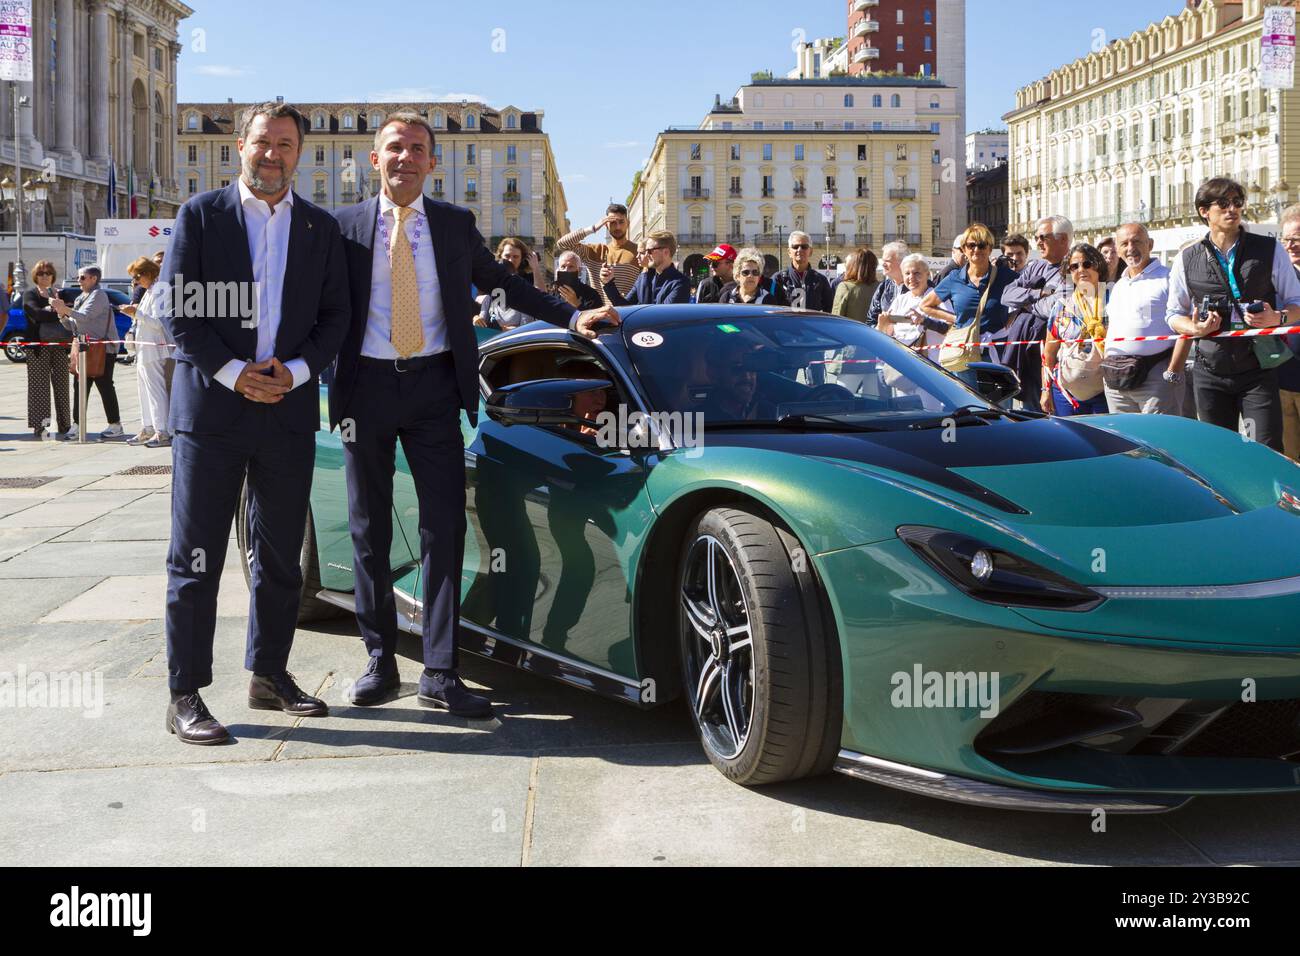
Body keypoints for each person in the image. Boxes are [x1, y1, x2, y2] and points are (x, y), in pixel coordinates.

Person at [331, 111, 618, 717]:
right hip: (366, 391)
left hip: (436, 388)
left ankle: (440, 670)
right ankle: (380, 660)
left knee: (445, 526)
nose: (404, 158)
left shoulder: (455, 225)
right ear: (375, 159)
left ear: (432, 162)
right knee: (368, 529)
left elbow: (507, 286)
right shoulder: (344, 227)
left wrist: (570, 318)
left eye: (416, 149)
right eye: (393, 148)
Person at [158, 101, 352, 745]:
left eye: (287, 145)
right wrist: (231, 371)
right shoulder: (200, 216)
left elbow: (335, 319)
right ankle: (184, 692)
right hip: (212, 412)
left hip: (287, 412)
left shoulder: (320, 230)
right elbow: (181, 311)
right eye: (263, 143)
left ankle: (268, 675)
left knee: (281, 558)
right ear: (240, 147)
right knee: (197, 556)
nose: (274, 155)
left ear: (302, 154)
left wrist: (293, 374)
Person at [1166, 177, 1300, 452]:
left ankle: (1267, 496)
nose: (1232, 209)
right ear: (1204, 211)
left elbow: (1297, 302)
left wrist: (1277, 318)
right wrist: (1195, 329)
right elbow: (1173, 314)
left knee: (1264, 450)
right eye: (1224, 203)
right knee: (1220, 453)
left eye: (1237, 203)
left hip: (1258, 369)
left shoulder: (1269, 249)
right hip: (1210, 372)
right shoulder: (1187, 258)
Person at [1100, 224, 1184, 416]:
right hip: (1116, 380)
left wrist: (1172, 372)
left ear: (1150, 244)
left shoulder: (1168, 278)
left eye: (1136, 241)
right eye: (1124, 243)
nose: (1130, 248)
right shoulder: (1120, 285)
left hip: (1156, 378)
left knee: (1161, 441)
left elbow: (1185, 327)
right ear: (1118, 250)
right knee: (1124, 440)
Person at [918, 223, 1016, 384]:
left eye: (982, 245)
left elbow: (1028, 298)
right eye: (971, 245)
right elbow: (925, 305)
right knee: (969, 402)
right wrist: (953, 318)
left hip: (997, 350)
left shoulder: (1005, 276)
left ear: (990, 249)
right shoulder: (954, 278)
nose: (976, 250)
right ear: (964, 249)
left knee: (1000, 404)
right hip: (964, 350)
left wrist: (1014, 316)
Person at [1000, 215, 1075, 410]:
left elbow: (1054, 307)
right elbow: (1007, 294)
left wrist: (1026, 304)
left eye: (1044, 237)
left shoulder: (1073, 268)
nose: (1039, 242)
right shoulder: (1036, 266)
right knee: (1031, 413)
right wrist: (1037, 294)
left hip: (1053, 357)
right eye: (1037, 238)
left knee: (1052, 414)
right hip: (1026, 355)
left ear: (1063, 239)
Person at [50, 265, 122, 440]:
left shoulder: (98, 295)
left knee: (104, 385)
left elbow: (84, 317)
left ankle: (115, 424)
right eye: (78, 277)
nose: (78, 281)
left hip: (102, 348)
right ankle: (78, 424)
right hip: (84, 347)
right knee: (80, 386)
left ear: (93, 279)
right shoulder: (82, 296)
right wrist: (61, 314)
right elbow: (74, 325)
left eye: (82, 277)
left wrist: (63, 308)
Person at [1042, 243, 1110, 416]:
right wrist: (1045, 389)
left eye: (1087, 264)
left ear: (1098, 266)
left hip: (1105, 391)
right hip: (1065, 392)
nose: (1081, 270)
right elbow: (1049, 354)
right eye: (1074, 266)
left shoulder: (1113, 300)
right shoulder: (1062, 307)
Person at [119, 255, 175, 446]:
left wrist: (136, 313)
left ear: (147, 274)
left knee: (156, 390)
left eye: (137, 277)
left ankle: (162, 430)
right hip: (144, 348)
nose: (135, 282)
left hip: (155, 348)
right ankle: (148, 427)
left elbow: (160, 323)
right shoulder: (149, 290)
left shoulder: (160, 290)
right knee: (143, 390)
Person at [23, 260, 71, 440]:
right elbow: (36, 313)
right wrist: (57, 311)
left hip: (59, 345)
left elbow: (70, 311)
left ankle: (65, 424)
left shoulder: (59, 292)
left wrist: (57, 309)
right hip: (37, 346)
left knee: (62, 384)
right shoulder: (30, 293)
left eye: (48, 273)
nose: (45, 276)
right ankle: (40, 426)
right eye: (41, 273)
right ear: (36, 275)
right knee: (39, 387)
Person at [558, 203, 641, 304]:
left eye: (621, 222)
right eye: (613, 223)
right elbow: (562, 243)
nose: (618, 226)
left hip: (628, 314)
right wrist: (593, 228)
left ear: (627, 223)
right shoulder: (595, 251)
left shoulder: (639, 252)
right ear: (606, 225)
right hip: (598, 315)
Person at [878, 254, 946, 358]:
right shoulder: (900, 300)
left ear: (927, 274)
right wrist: (883, 325)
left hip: (931, 363)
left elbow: (950, 328)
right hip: (902, 360)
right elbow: (888, 334)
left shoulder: (937, 297)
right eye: (907, 273)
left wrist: (925, 321)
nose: (911, 278)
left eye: (916, 273)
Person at [601, 229, 690, 305]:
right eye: (646, 251)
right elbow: (625, 306)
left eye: (650, 251)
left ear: (666, 252)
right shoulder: (645, 277)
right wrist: (608, 283)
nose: (646, 254)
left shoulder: (680, 283)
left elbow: (662, 317)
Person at [476, 236, 545, 329]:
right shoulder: (491, 279)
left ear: (522, 259)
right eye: (507, 256)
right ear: (500, 256)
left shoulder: (528, 280)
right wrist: (476, 317)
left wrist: (535, 268)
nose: (511, 260)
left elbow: (541, 298)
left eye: (515, 257)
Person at [1276, 204, 1300, 460]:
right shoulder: (1275, 278)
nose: (1290, 245)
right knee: (1290, 457)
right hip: (1281, 381)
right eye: (1286, 239)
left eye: (1296, 239)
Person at [773, 231, 833, 311]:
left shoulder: (821, 280)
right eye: (795, 246)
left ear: (810, 251)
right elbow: (770, 308)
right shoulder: (778, 279)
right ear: (789, 252)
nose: (799, 249)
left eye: (804, 246)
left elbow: (829, 309)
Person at [718, 248, 788, 304]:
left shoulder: (768, 299)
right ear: (737, 276)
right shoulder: (726, 297)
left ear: (759, 277)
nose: (750, 275)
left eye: (755, 272)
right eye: (746, 272)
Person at [866, 240, 909, 326]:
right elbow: (871, 320)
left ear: (902, 263)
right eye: (883, 261)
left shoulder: (919, 286)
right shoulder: (884, 286)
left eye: (887, 261)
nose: (883, 264)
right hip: (884, 337)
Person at [831, 247, 878, 322]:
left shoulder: (845, 287)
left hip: (850, 332)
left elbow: (836, 319)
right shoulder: (881, 287)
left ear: (852, 266)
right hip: (875, 333)